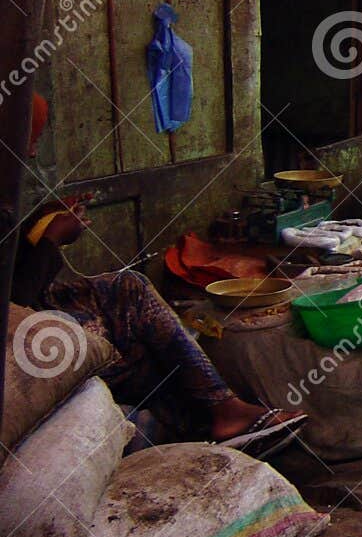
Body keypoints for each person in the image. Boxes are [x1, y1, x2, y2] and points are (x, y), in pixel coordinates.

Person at [13, 96, 304, 456]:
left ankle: (219, 414)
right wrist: (52, 240)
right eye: (27, 140)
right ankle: (209, 419)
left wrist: (39, 223)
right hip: (20, 329)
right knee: (129, 342)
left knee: (130, 291)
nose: (29, 154)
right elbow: (14, 301)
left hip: (33, 301)